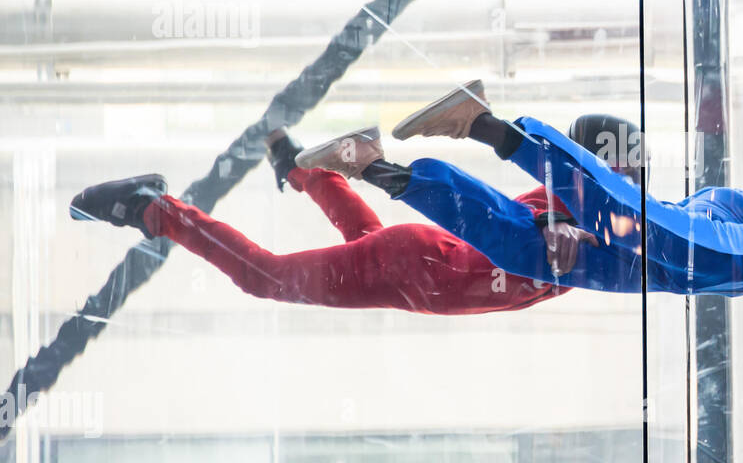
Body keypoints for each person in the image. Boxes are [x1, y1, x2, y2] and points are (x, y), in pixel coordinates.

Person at [299, 78, 743, 297]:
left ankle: (374, 165)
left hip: (721, 231)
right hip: (732, 253)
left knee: (540, 257)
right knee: (613, 207)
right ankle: (488, 126)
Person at [65, 114, 637, 315]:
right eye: (628, 177)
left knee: (361, 236)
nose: (633, 195)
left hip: (424, 278)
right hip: (422, 269)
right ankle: (152, 209)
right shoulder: (575, 217)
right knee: (266, 279)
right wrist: (553, 228)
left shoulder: (597, 222)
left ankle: (303, 166)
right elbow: (529, 222)